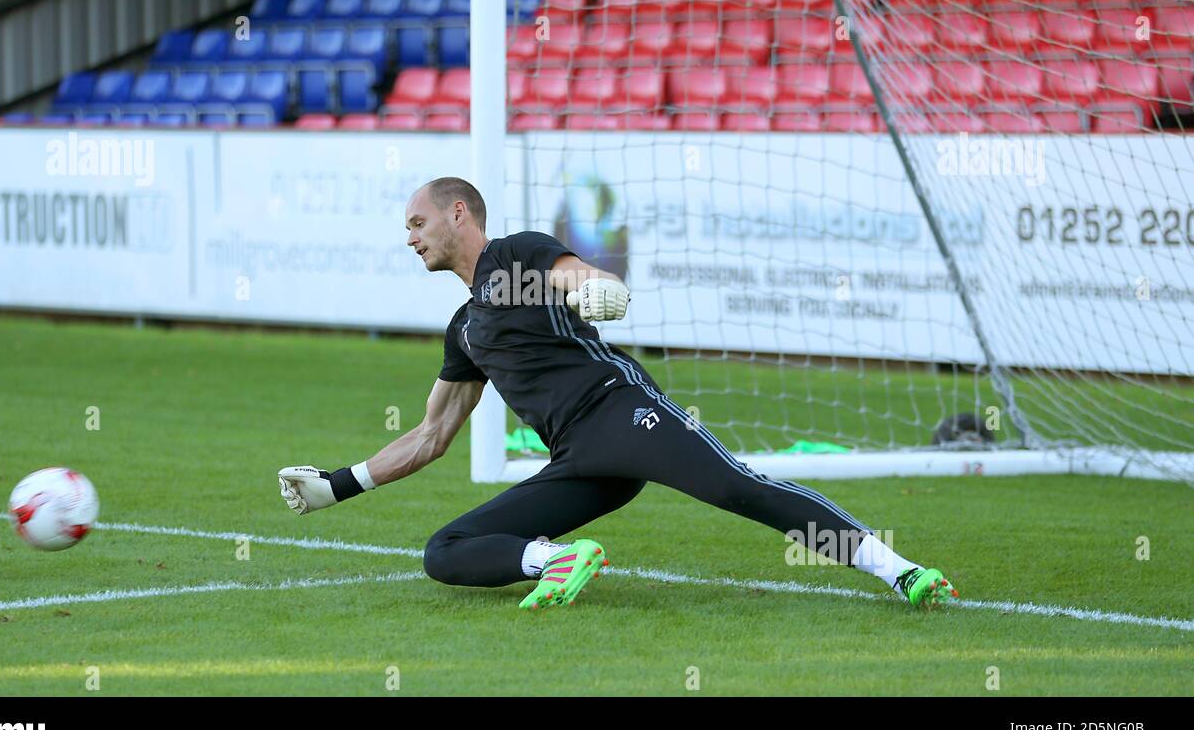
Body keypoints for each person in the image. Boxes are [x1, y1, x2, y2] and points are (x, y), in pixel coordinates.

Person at [279, 177, 958, 611]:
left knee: (738, 488)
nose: (409, 236)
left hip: (618, 409)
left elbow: (576, 274)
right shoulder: (463, 329)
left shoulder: (514, 255)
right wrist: (337, 486)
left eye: (417, 222)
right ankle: (556, 559)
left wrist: (597, 288)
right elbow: (430, 436)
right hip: (580, 460)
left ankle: (899, 569)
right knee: (445, 549)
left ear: (458, 213)